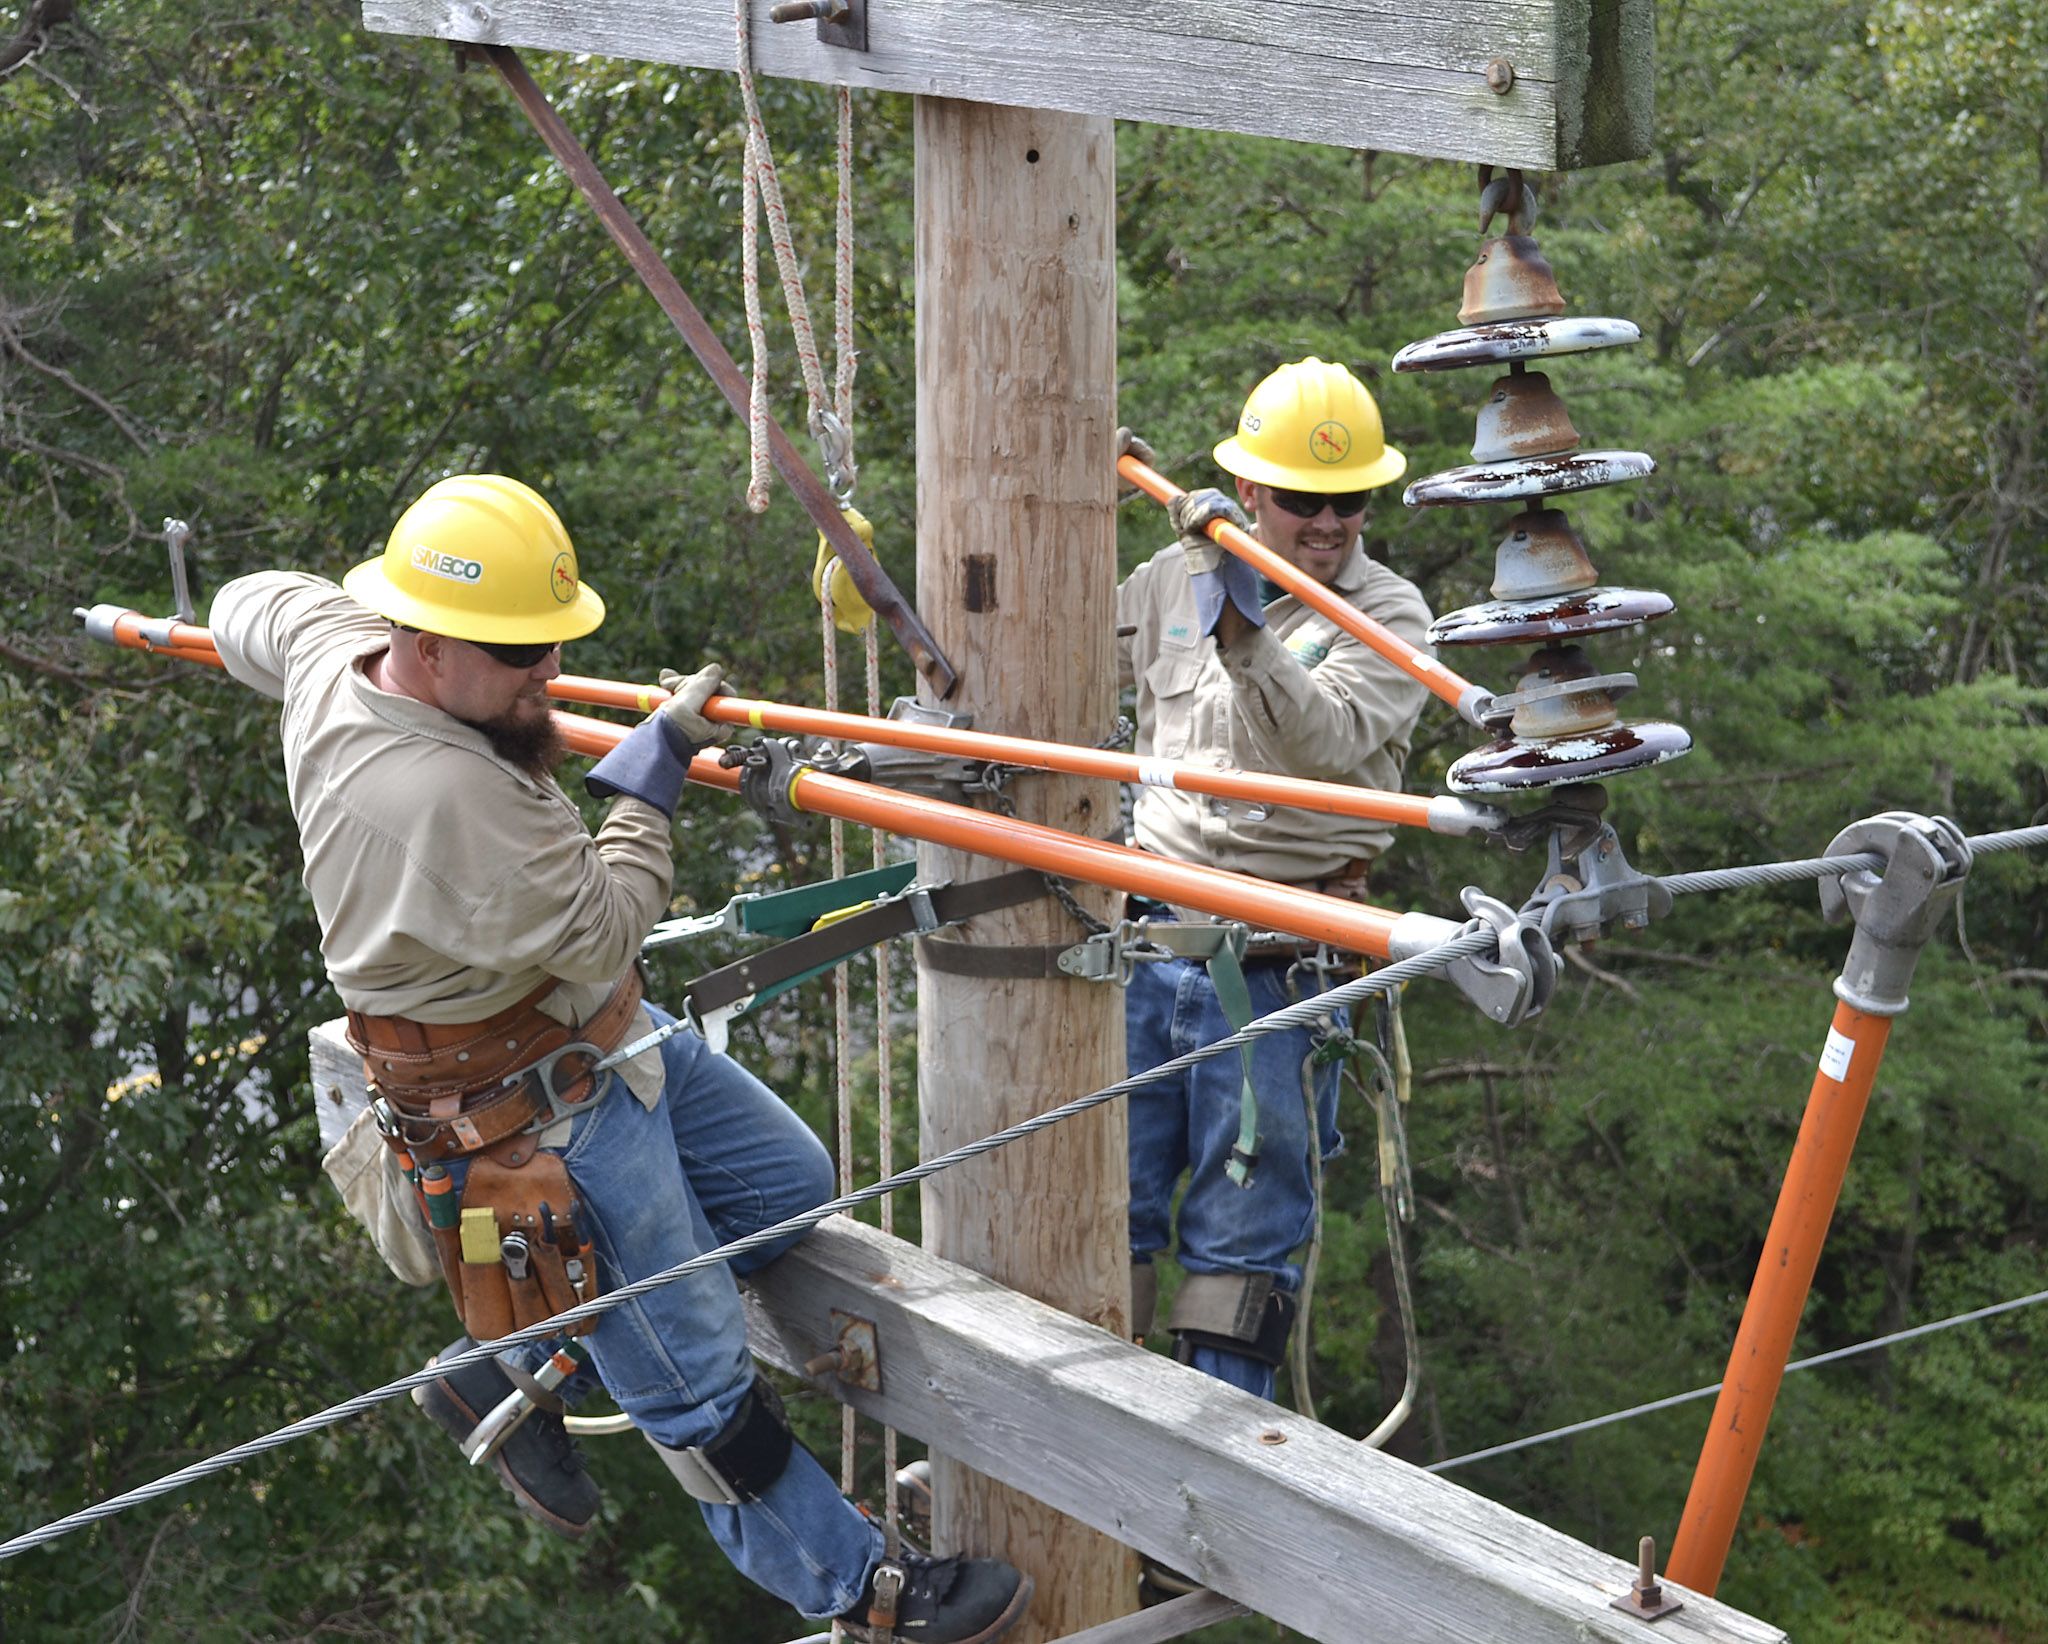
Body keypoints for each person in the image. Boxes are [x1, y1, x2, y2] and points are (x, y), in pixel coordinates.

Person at [210, 473, 1030, 1644]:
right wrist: (651, 776)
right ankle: (860, 1593)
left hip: (592, 1047)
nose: (546, 672)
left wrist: (218, 616)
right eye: (519, 655)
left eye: (552, 643)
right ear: (429, 646)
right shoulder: (446, 796)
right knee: (690, 1374)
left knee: (782, 1192)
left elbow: (262, 603)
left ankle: (518, 1362)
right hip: (533, 1117)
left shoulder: (335, 650)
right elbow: (605, 928)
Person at [1117, 359, 1432, 1402]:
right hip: (1143, 953)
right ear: (1248, 492)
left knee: (1236, 1261)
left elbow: (1325, 740)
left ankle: (1203, 1529)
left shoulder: (1391, 618)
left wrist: (1245, 623)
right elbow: (1046, 661)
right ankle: (1068, 1482)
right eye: (1303, 499)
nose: (1330, 522)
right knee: (1091, 1220)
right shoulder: (1168, 579)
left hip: (1278, 980)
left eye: (1350, 500)